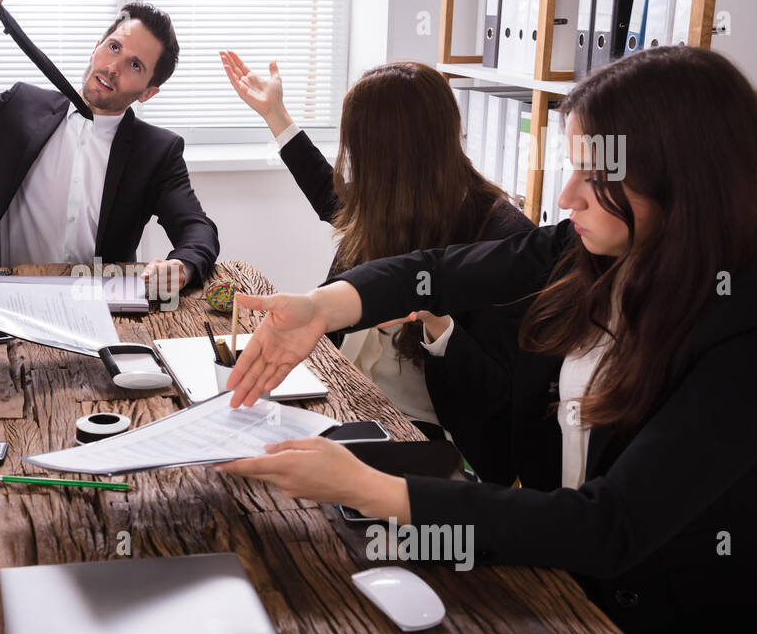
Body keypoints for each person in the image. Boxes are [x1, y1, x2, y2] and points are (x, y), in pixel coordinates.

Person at [220, 45, 757, 634]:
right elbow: (436, 269)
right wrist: (320, 306)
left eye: (594, 174)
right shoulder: (591, 249)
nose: (566, 196)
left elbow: (610, 525)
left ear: (682, 177)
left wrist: (367, 487)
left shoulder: (752, 320)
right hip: (558, 593)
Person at [220, 52, 532, 479]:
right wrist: (276, 114)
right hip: (346, 395)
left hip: (432, 437)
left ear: (389, 158)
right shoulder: (387, 205)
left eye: (359, 150)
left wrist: (437, 321)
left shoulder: (502, 235)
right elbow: (328, 195)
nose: (353, 164)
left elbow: (500, 401)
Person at [0, 0, 218, 300]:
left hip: (96, 308)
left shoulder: (158, 152)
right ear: (97, 46)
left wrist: (182, 266)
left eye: (135, 65)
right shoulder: (18, 108)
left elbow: (197, 229)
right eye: (114, 47)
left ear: (148, 92)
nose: (113, 67)